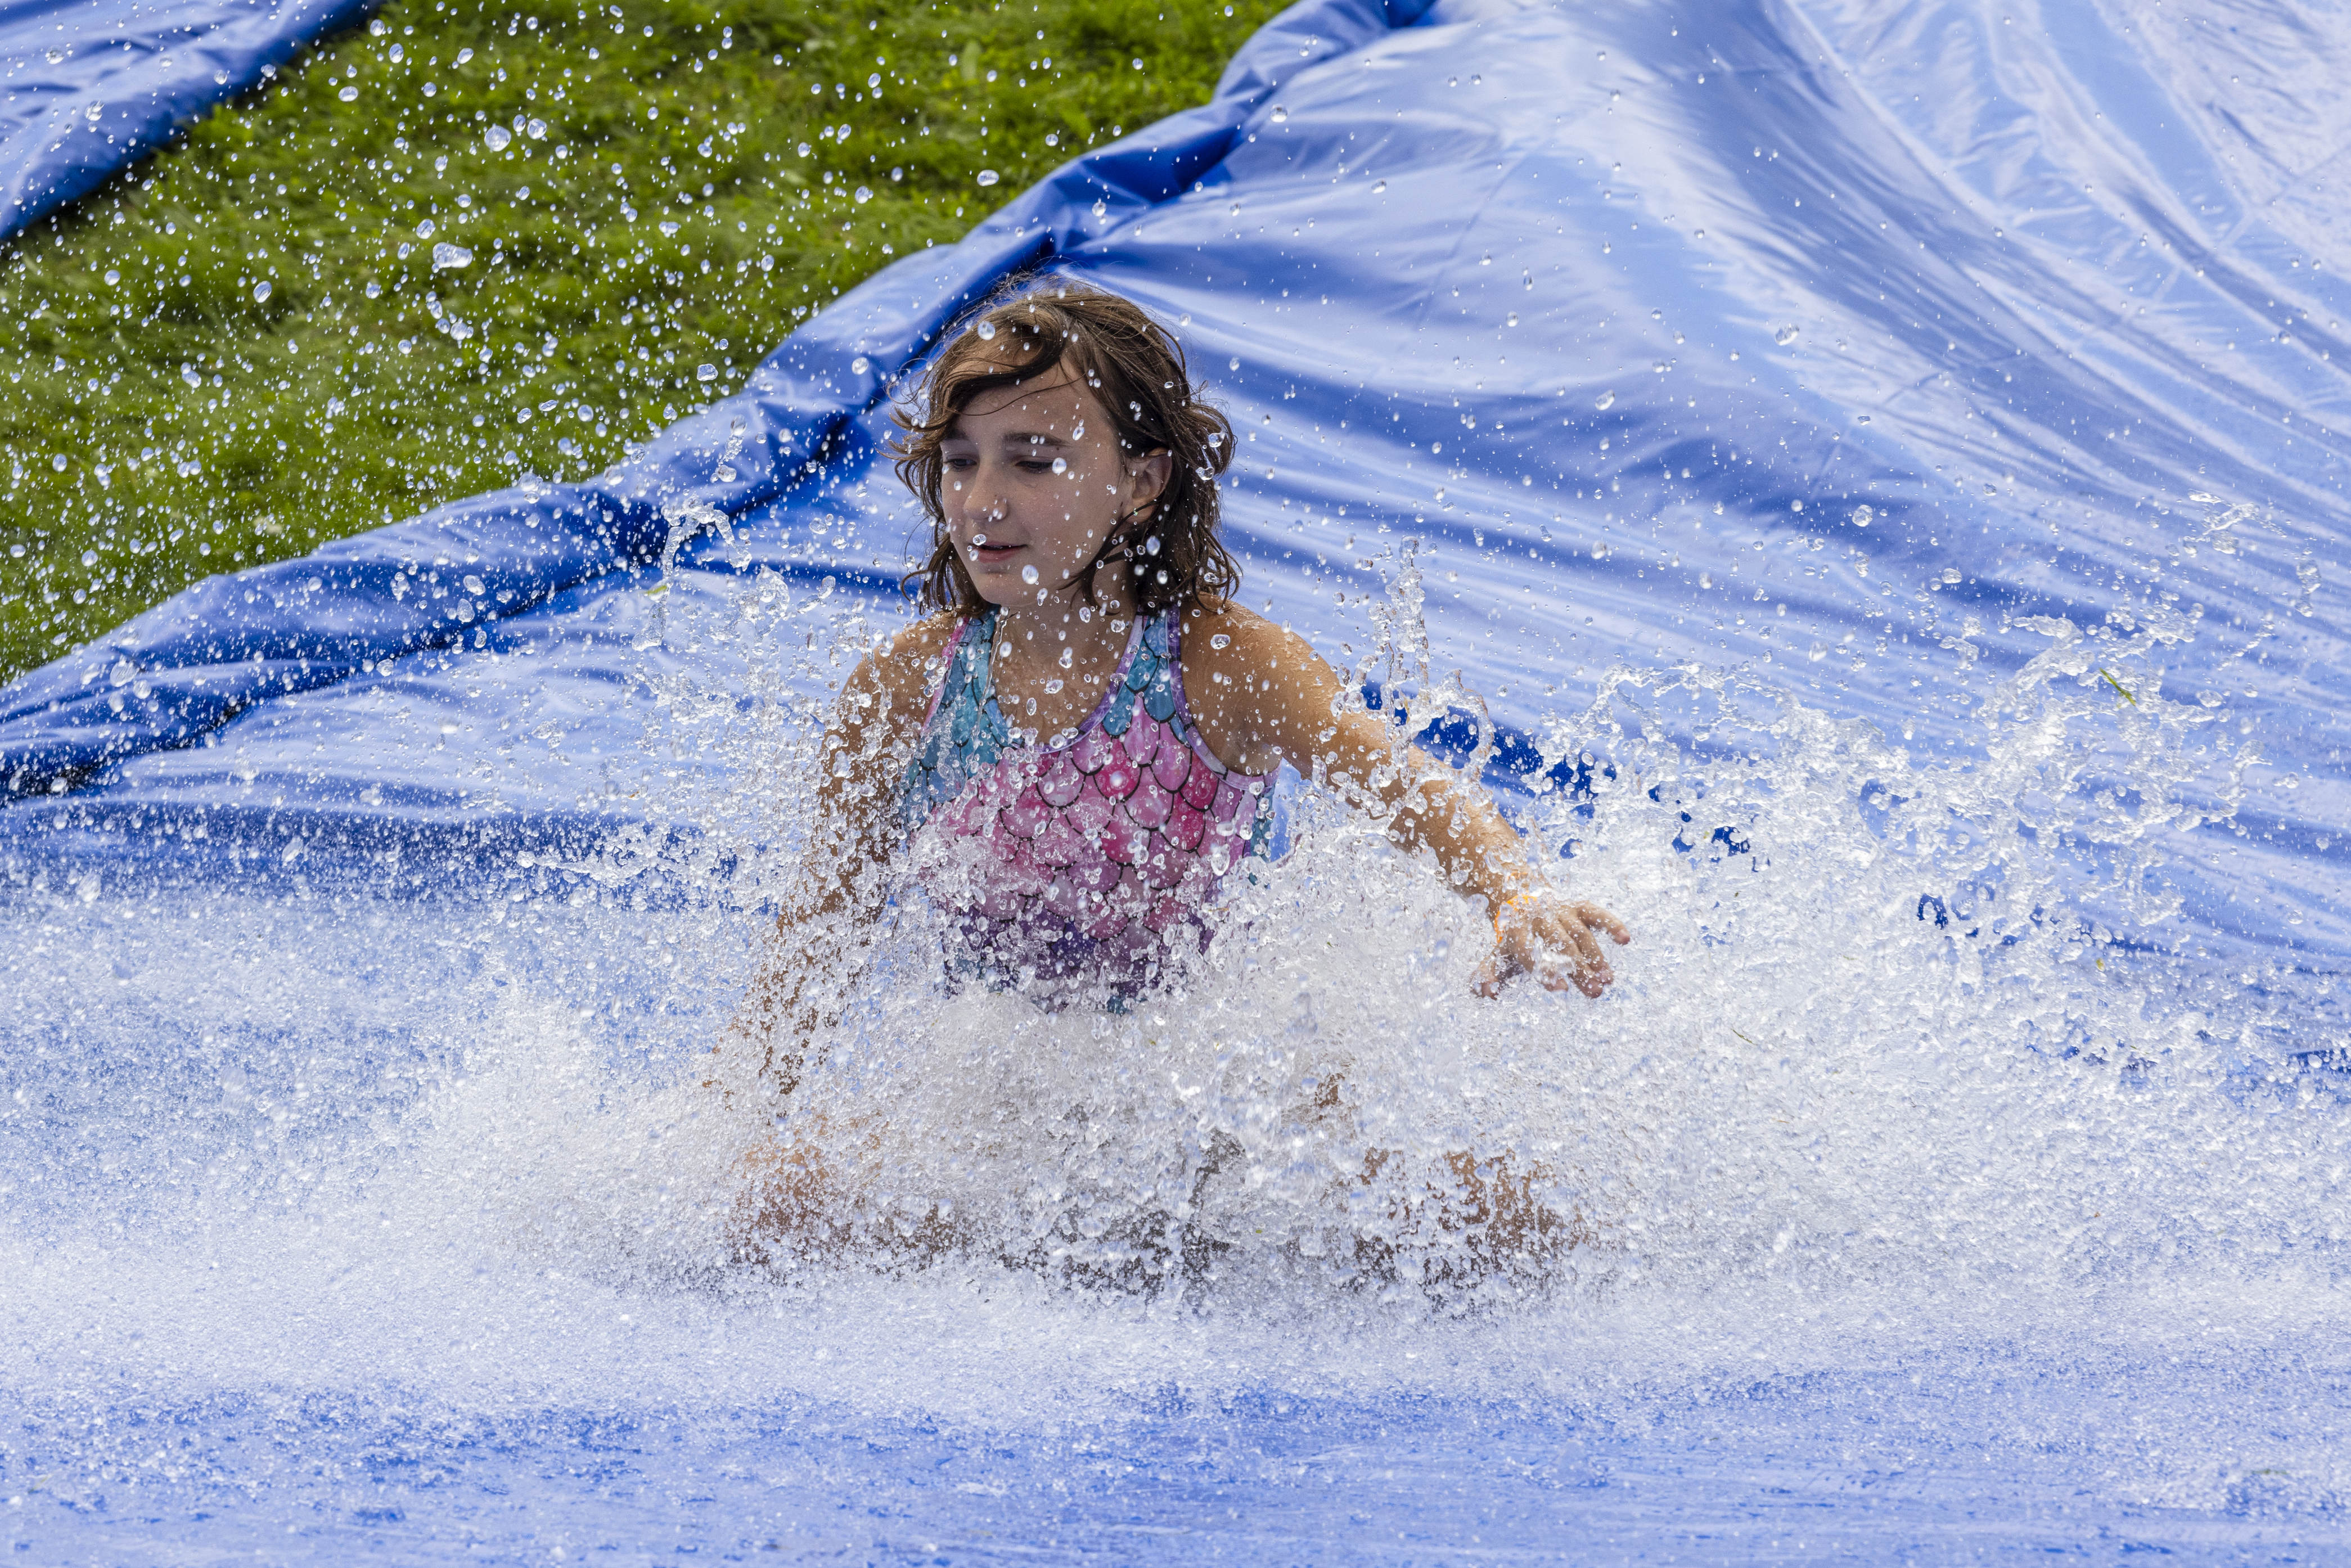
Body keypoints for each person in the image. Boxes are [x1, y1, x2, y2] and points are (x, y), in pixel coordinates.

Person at [721, 280, 1629, 1261]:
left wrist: (1509, 886)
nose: (982, 503)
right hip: (1006, 1113)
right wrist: (721, 1132)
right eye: (960, 462)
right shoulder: (908, 693)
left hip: (1228, 1113)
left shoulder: (1219, 665)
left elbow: (1398, 778)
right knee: (758, 1204)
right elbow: (819, 935)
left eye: (1033, 462)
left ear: (1143, 482)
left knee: (1520, 1228)